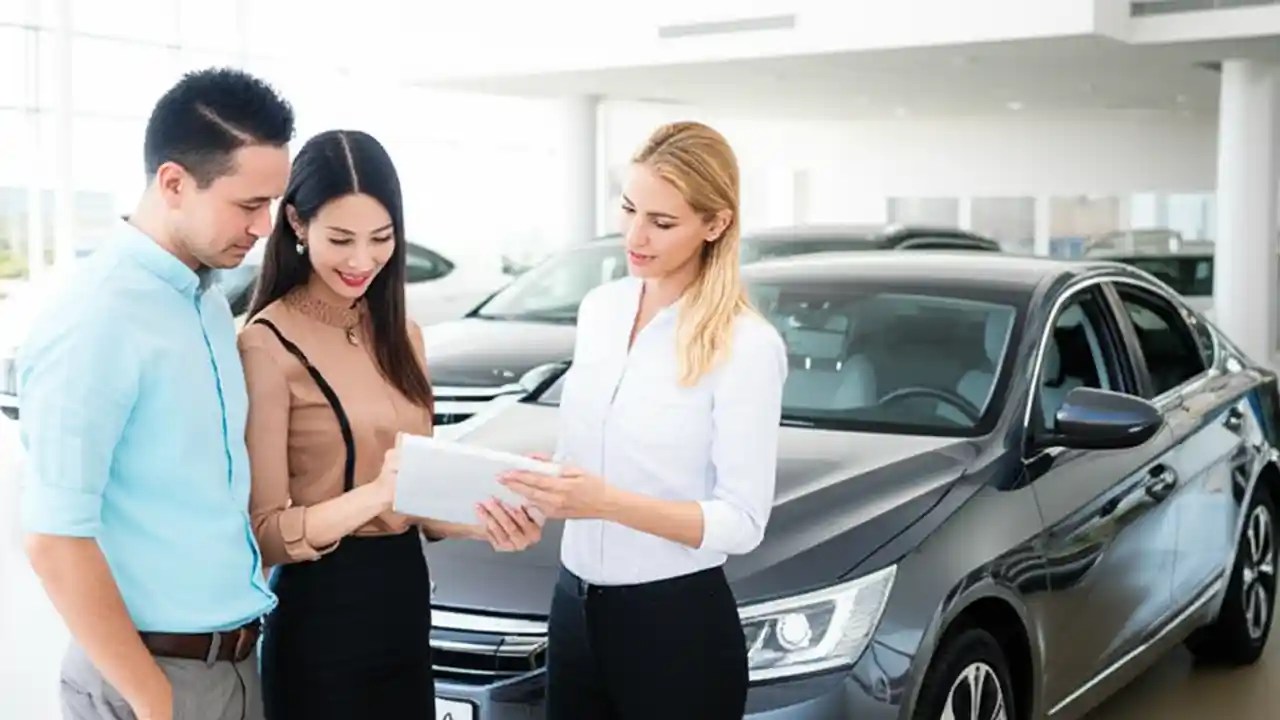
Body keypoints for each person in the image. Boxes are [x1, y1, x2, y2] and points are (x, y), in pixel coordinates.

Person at [237, 129, 543, 720]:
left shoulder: (405, 336)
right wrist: (376, 494)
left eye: (380, 239)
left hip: (403, 601)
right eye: (340, 239)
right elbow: (266, 533)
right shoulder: (265, 344)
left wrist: (493, 514)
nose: (362, 261)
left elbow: (417, 494)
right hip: (320, 616)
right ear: (297, 225)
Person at [18, 68, 295, 720]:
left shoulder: (200, 301)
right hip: (151, 680)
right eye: (248, 204)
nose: (264, 227)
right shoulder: (97, 317)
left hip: (233, 667)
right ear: (173, 183)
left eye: (272, 204)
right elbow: (53, 537)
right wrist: (151, 698)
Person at [500, 121, 789, 719]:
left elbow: (742, 522)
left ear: (716, 224)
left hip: (675, 628)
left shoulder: (746, 346)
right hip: (573, 612)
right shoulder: (600, 310)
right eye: (629, 209)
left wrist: (604, 502)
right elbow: (582, 452)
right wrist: (542, 485)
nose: (635, 236)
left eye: (662, 222)